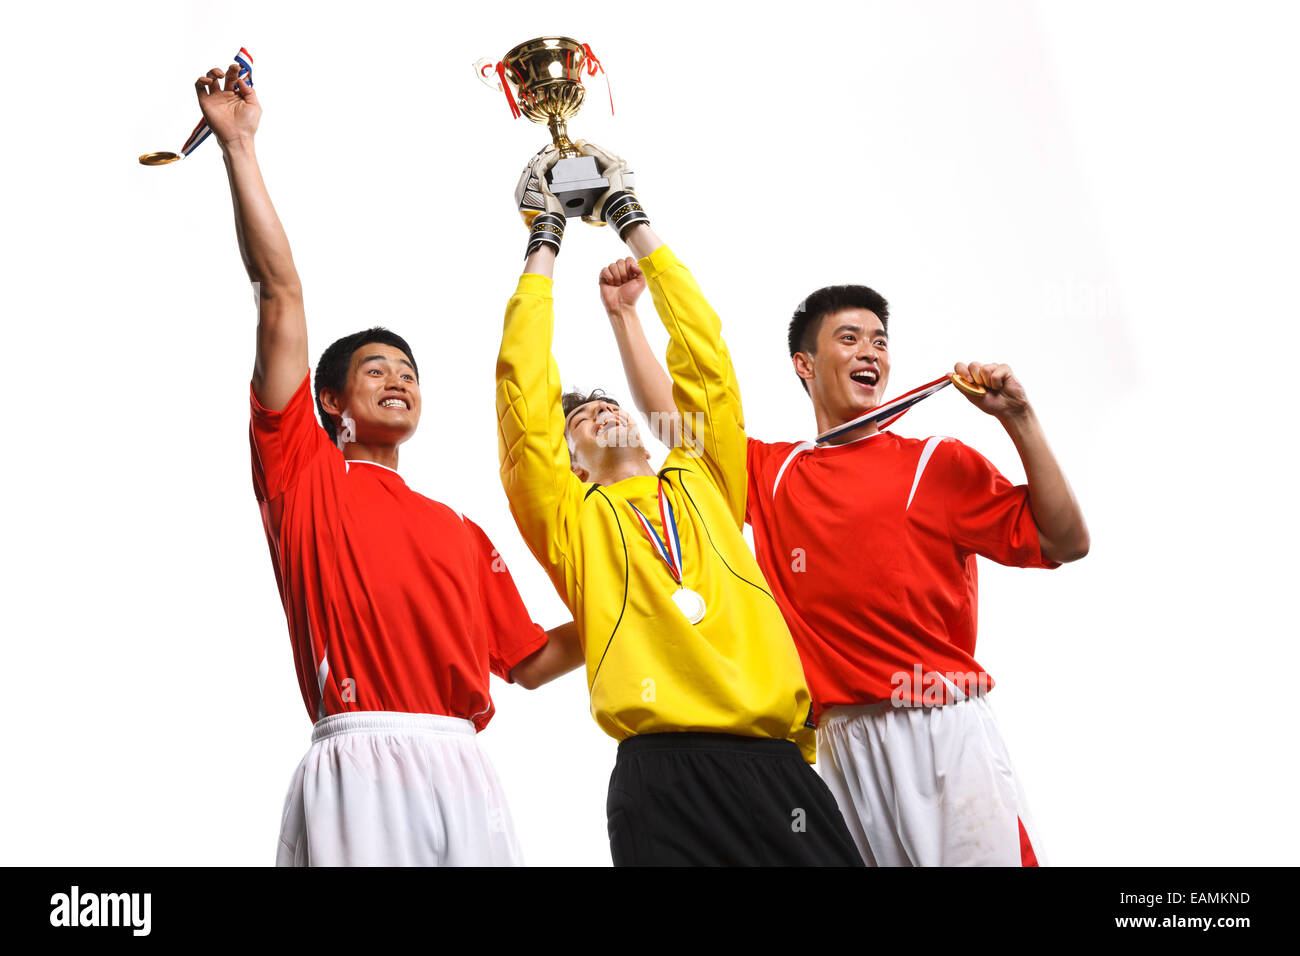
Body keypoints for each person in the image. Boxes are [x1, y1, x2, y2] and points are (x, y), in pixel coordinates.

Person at [195, 61, 579, 866]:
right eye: (375, 369)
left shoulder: (458, 530)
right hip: (359, 757)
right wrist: (239, 145)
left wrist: (629, 605)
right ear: (331, 401)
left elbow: (533, 662)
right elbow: (280, 293)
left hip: (465, 769)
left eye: (408, 372)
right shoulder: (300, 472)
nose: (398, 379)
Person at [604, 265, 1089, 867]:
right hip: (838, 744)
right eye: (850, 338)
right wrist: (625, 316)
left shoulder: (937, 462)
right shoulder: (773, 474)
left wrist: (1019, 419)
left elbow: (1065, 540)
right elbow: (677, 424)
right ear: (805, 365)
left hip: (940, 731)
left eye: (880, 341)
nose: (871, 352)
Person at [495, 146, 863, 866]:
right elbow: (520, 393)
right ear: (566, 460)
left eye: (609, 405)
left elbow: (707, 362)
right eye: (580, 420)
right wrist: (544, 240)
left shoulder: (703, 480)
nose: (603, 414)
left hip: (775, 767)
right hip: (659, 777)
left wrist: (633, 222)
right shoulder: (571, 521)